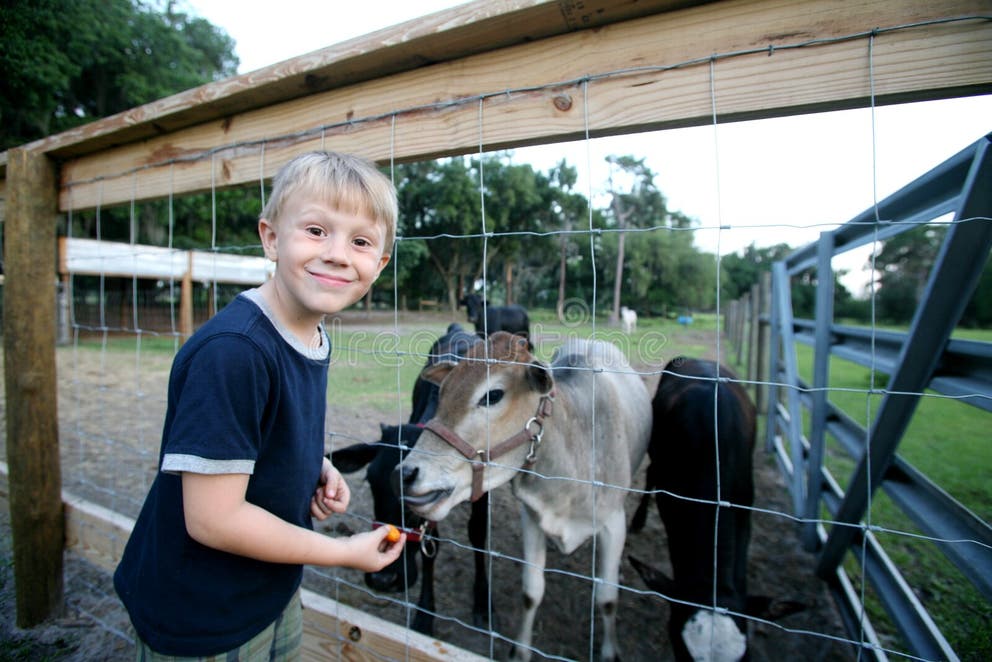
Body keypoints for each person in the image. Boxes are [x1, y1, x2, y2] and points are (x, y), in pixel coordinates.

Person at [114, 151, 406, 660]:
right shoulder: (236, 353)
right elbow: (213, 520)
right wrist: (340, 552)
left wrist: (309, 463)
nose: (338, 254)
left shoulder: (308, 334)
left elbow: (261, 430)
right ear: (271, 237)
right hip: (201, 613)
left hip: (267, 592)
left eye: (360, 241)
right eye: (316, 230)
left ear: (379, 264)